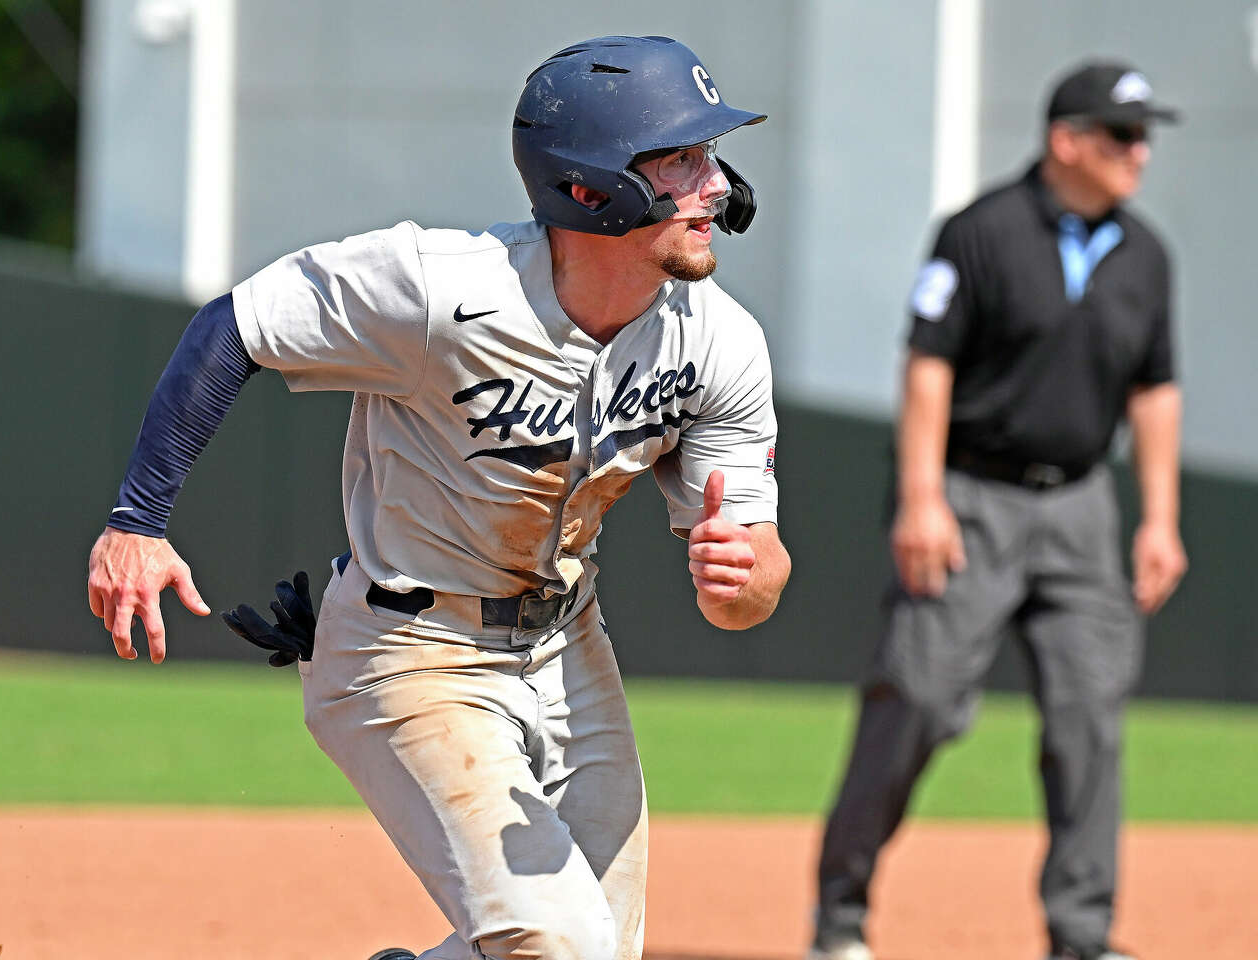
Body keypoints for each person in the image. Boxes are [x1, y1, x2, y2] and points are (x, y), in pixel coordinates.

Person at [86, 35, 791, 960]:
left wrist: (746, 579)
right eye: (681, 159)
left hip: (567, 643)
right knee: (560, 945)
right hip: (409, 644)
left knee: (595, 953)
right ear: (590, 189)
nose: (715, 186)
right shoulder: (437, 288)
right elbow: (238, 326)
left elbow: (752, 584)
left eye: (711, 156)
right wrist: (137, 521)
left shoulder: (719, 342)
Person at [807, 61, 1188, 960]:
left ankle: (1083, 936)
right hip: (971, 502)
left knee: (1090, 717)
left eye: (1145, 136)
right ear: (1066, 141)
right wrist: (921, 497)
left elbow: (1157, 391)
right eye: (1122, 136)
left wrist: (1160, 517)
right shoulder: (980, 233)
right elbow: (927, 363)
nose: (1141, 153)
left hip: (1084, 511)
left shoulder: (1146, 255)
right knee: (918, 701)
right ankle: (840, 921)